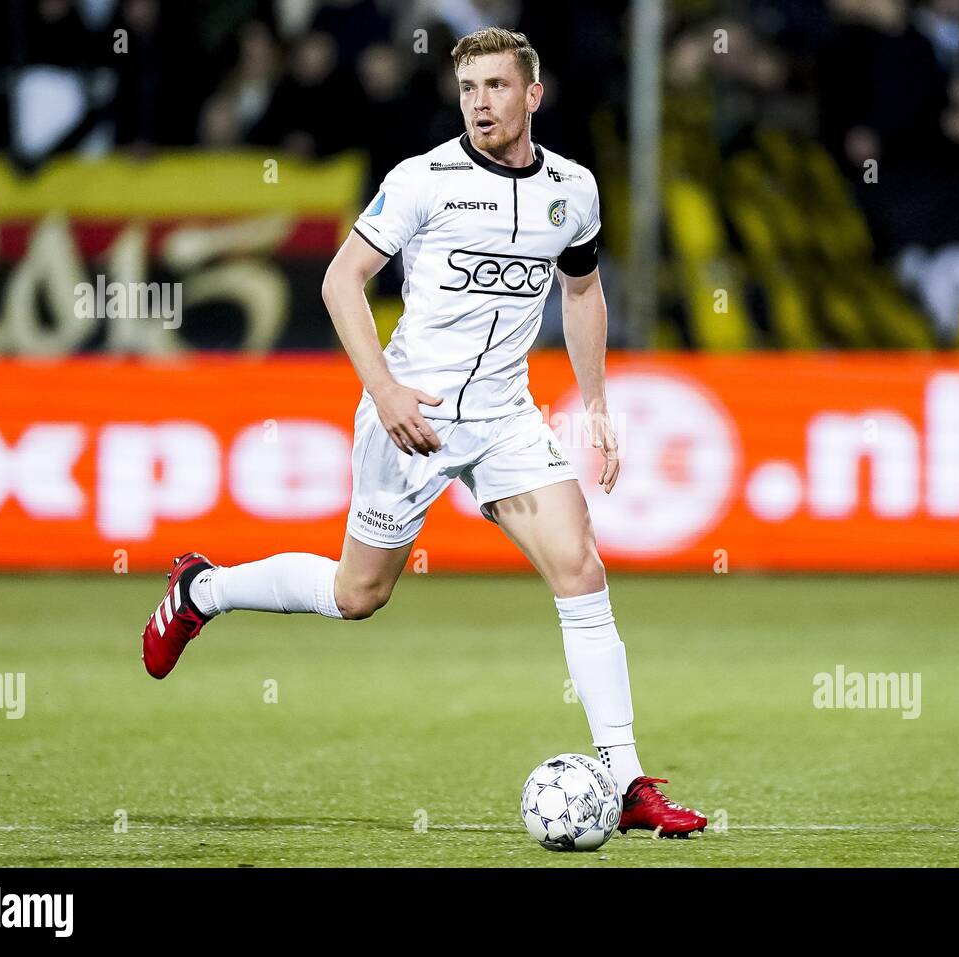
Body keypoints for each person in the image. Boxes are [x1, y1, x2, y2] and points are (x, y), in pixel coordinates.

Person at [139, 27, 706, 838]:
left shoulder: (573, 190)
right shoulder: (423, 180)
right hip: (415, 417)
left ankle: (625, 782)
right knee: (357, 594)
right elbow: (341, 282)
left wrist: (598, 405)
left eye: (497, 87)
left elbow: (581, 294)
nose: (481, 103)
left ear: (532, 95)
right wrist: (388, 392)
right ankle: (203, 589)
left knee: (581, 570)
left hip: (507, 418)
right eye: (469, 88)